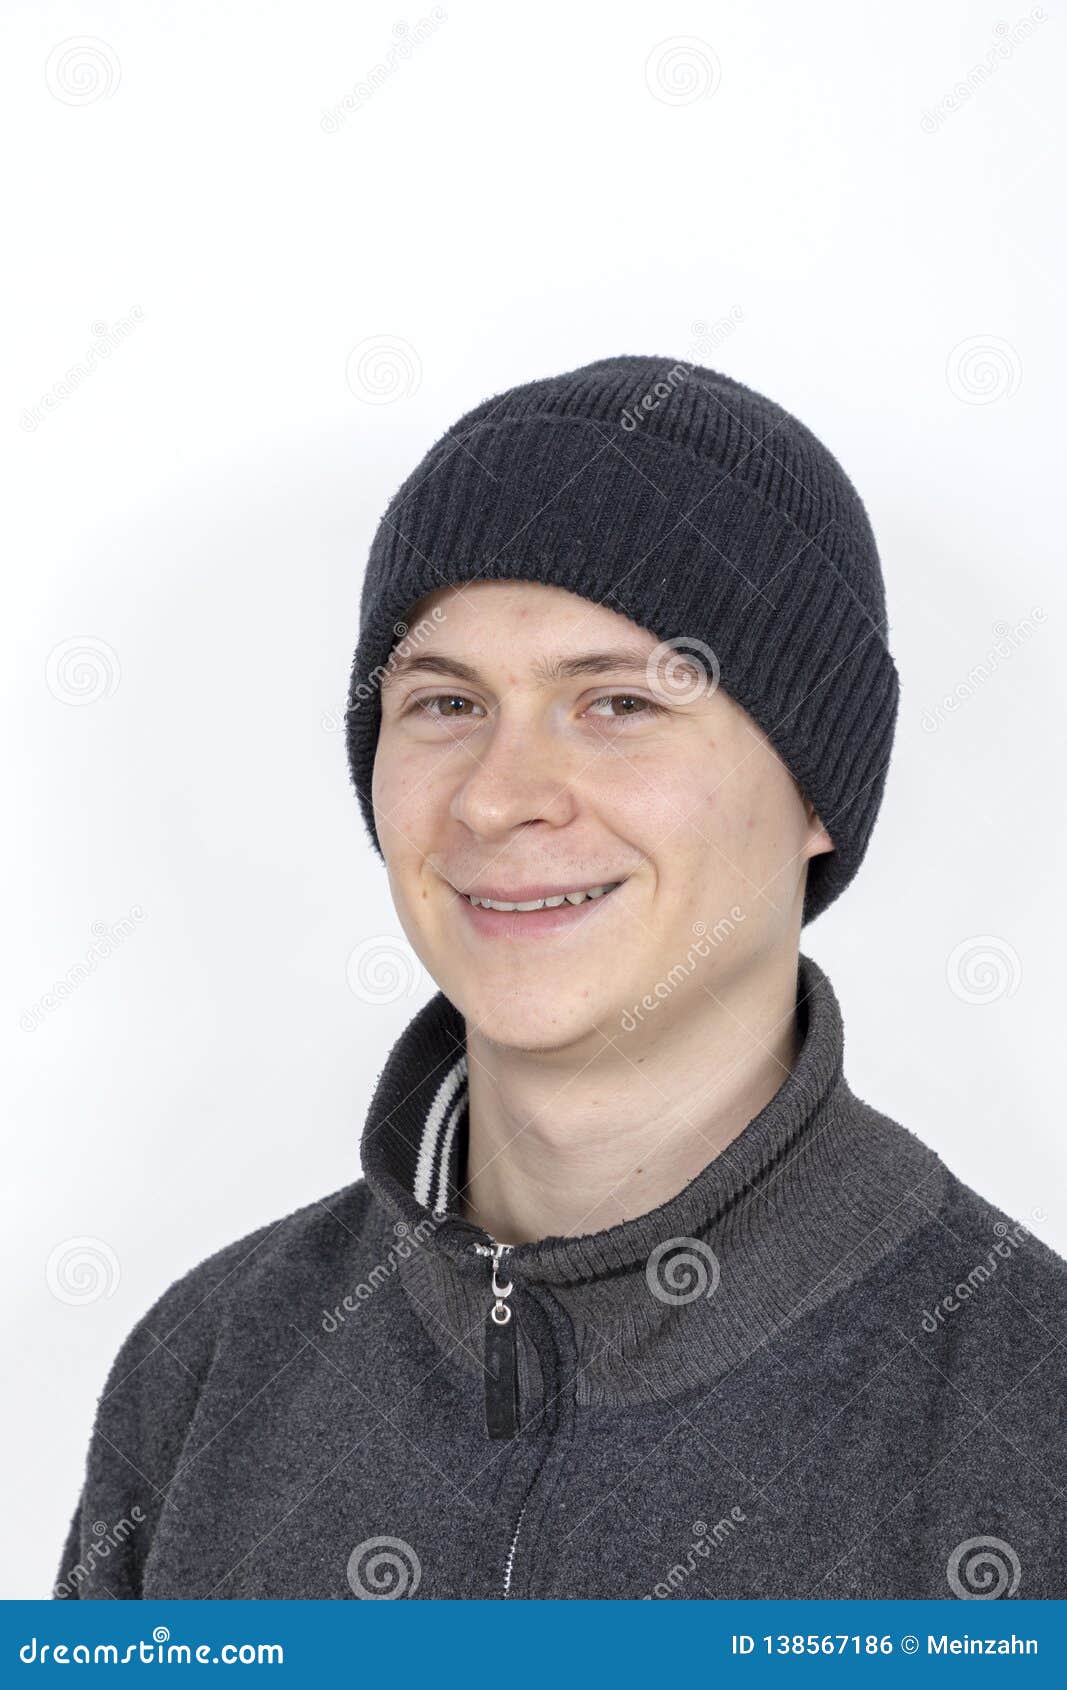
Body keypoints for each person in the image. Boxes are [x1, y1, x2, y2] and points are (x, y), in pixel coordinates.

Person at [56, 356, 1066, 1601]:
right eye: (442, 703)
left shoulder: (1028, 1409)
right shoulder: (206, 1367)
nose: (496, 794)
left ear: (815, 790)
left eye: (620, 703)